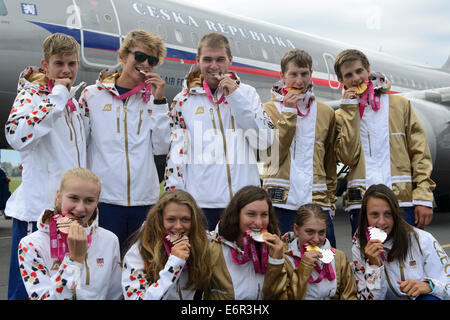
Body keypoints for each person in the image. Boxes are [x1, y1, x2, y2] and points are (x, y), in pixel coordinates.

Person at [164, 32, 275, 230]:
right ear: (198, 61)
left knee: (243, 261)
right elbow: (176, 156)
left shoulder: (247, 94)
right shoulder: (183, 101)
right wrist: (175, 199)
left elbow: (263, 141)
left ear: (230, 61)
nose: (214, 66)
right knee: (204, 261)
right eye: (207, 59)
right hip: (201, 204)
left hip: (243, 203)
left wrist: (236, 97)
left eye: (220, 59)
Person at [4, 33, 86, 300]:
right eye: (59, 63)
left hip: (69, 214)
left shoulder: (74, 103)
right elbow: (16, 136)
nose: (66, 70)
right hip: (37, 216)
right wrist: (56, 97)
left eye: (71, 64)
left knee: (60, 288)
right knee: (27, 291)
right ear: (45, 65)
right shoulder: (32, 96)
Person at [79, 29, 171, 252]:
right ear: (123, 56)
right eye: (139, 56)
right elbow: (80, 146)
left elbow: (162, 147)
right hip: (105, 200)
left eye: (152, 60)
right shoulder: (92, 95)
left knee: (139, 269)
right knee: (105, 268)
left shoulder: (153, 100)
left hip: (144, 202)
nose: (145, 63)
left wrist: (159, 102)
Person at [334, 49, 435, 238]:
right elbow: (347, 157)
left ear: (368, 70)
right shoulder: (341, 115)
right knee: (368, 264)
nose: (355, 78)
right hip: (362, 205)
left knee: (408, 262)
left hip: (402, 202)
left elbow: (420, 153)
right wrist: (349, 112)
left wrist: (423, 197)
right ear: (341, 81)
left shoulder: (400, 105)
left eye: (359, 71)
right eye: (348, 75)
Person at [261, 49, 337, 246]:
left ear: (311, 74)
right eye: (293, 74)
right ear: (282, 76)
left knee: (326, 261)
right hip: (280, 202)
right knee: (281, 262)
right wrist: (288, 111)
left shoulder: (326, 112)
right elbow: (272, 156)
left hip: (317, 201)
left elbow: (329, 161)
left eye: (304, 74)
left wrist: (330, 199)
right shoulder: (266, 110)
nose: (299, 81)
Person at [18, 168, 122, 300]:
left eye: (89, 200)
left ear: (97, 202)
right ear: (59, 196)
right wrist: (75, 260)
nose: (80, 208)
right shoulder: (31, 244)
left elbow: (115, 295)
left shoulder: (110, 240)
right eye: (73, 198)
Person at [352, 184, 449, 300]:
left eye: (388, 214)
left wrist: (430, 286)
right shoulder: (359, 245)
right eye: (374, 214)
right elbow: (370, 299)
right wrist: (374, 266)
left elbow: (447, 283)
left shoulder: (422, 239)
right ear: (365, 216)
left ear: (395, 214)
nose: (381, 222)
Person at [122, 189, 211, 300]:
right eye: (171, 219)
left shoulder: (203, 241)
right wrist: (174, 264)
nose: (178, 226)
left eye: (185, 219)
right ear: (159, 220)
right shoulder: (138, 253)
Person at [204, 185, 284, 300]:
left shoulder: (276, 248)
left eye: (264, 215)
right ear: (236, 215)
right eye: (251, 214)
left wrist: (276, 262)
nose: (258, 222)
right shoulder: (212, 247)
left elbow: (276, 296)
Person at [263, 203, 357, 300]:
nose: (316, 239)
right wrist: (304, 266)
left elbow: (350, 296)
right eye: (310, 232)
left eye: (321, 232)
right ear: (296, 229)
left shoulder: (338, 257)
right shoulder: (284, 258)